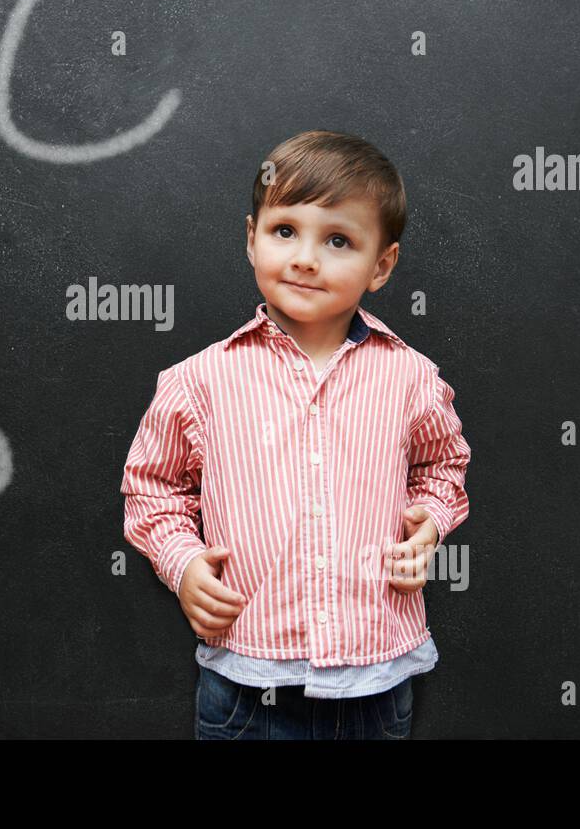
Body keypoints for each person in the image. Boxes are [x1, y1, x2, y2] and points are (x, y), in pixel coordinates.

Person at [120, 129, 472, 739]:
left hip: (375, 682)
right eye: (285, 231)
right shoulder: (199, 381)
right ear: (251, 239)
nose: (306, 257)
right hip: (247, 687)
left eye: (338, 240)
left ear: (381, 265)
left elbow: (443, 465)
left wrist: (430, 523)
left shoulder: (410, 377)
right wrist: (182, 565)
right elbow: (153, 489)